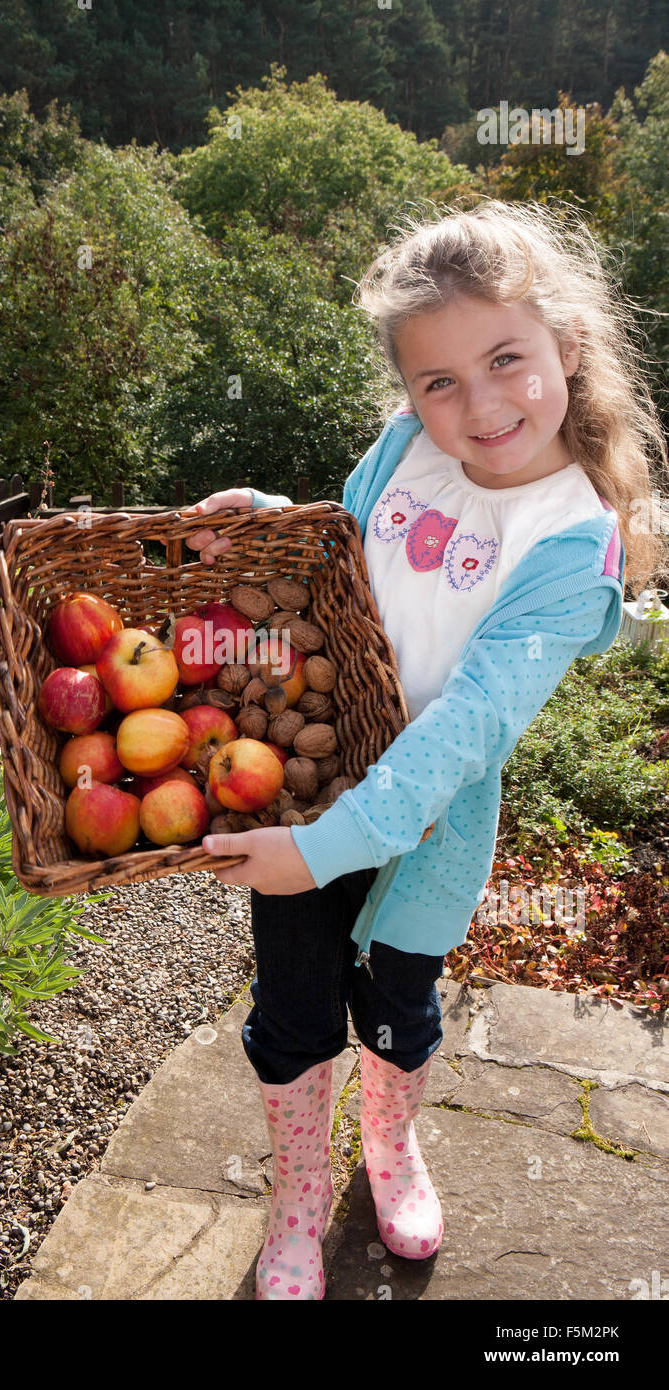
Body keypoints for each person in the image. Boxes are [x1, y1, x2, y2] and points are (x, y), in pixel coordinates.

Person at [183, 198, 668, 1301]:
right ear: (405, 394)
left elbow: (470, 725)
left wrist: (333, 845)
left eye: (505, 359)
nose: (478, 402)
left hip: (421, 830)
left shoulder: (567, 541)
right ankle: (298, 1188)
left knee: (398, 1005)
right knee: (293, 1009)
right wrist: (265, 516)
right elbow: (344, 550)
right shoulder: (406, 449)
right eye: (436, 381)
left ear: (567, 346)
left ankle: (390, 1146)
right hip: (304, 789)